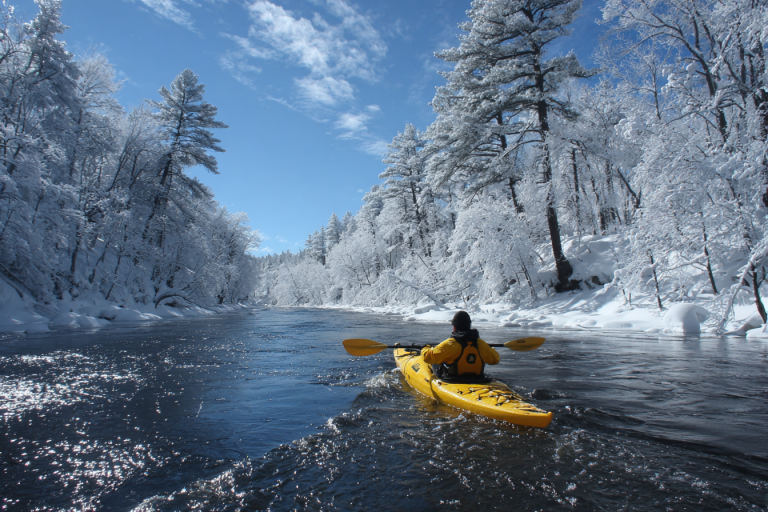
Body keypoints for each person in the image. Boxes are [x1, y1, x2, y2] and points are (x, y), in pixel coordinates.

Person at [420, 311, 500, 381]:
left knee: (435, 365)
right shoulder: (481, 344)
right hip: (478, 380)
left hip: (454, 381)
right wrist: (490, 349)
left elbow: (427, 357)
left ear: (454, 327)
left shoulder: (451, 344)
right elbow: (495, 359)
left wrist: (426, 347)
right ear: (469, 325)